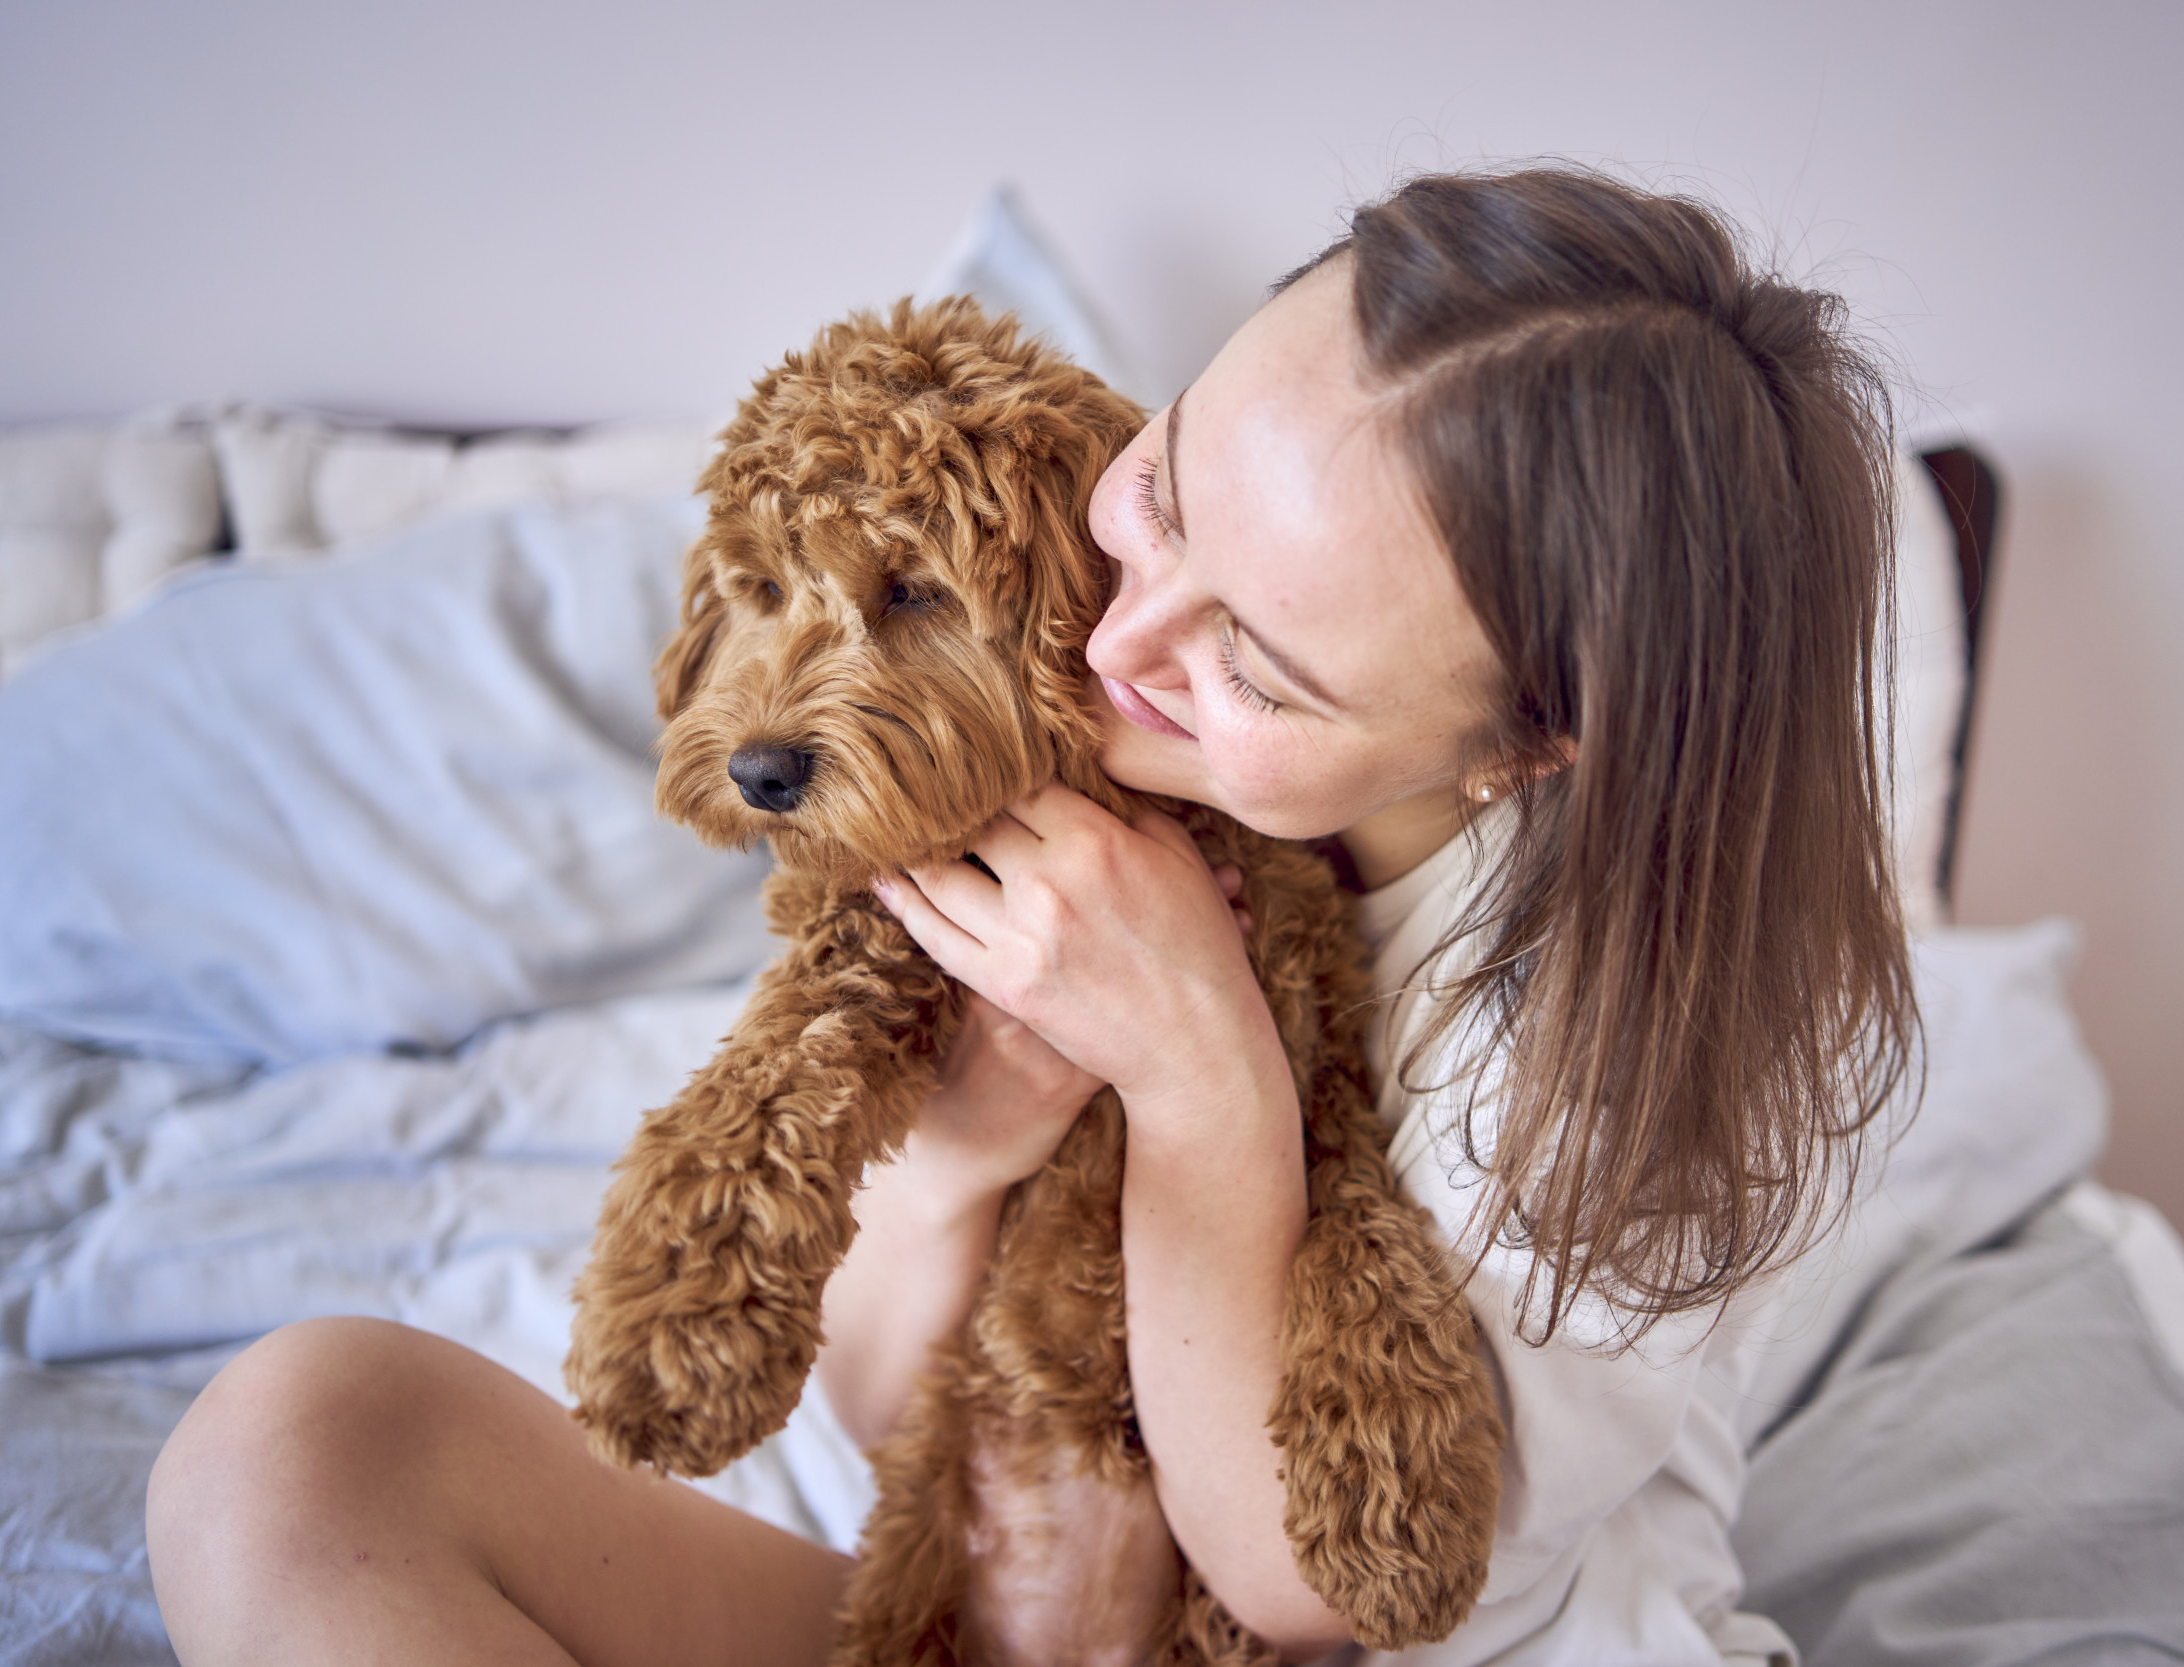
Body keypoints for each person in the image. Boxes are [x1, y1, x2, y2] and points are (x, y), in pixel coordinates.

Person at [146, 166, 1914, 1667]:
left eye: (1256, 664)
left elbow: (1312, 1588)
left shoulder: (1669, 1049)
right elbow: (874, 1406)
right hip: (985, 1593)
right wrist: (964, 1149)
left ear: (1529, 741)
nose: (1120, 642)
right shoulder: (1055, 767)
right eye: (1164, 493)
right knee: (297, 1446)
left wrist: (1201, 1071)